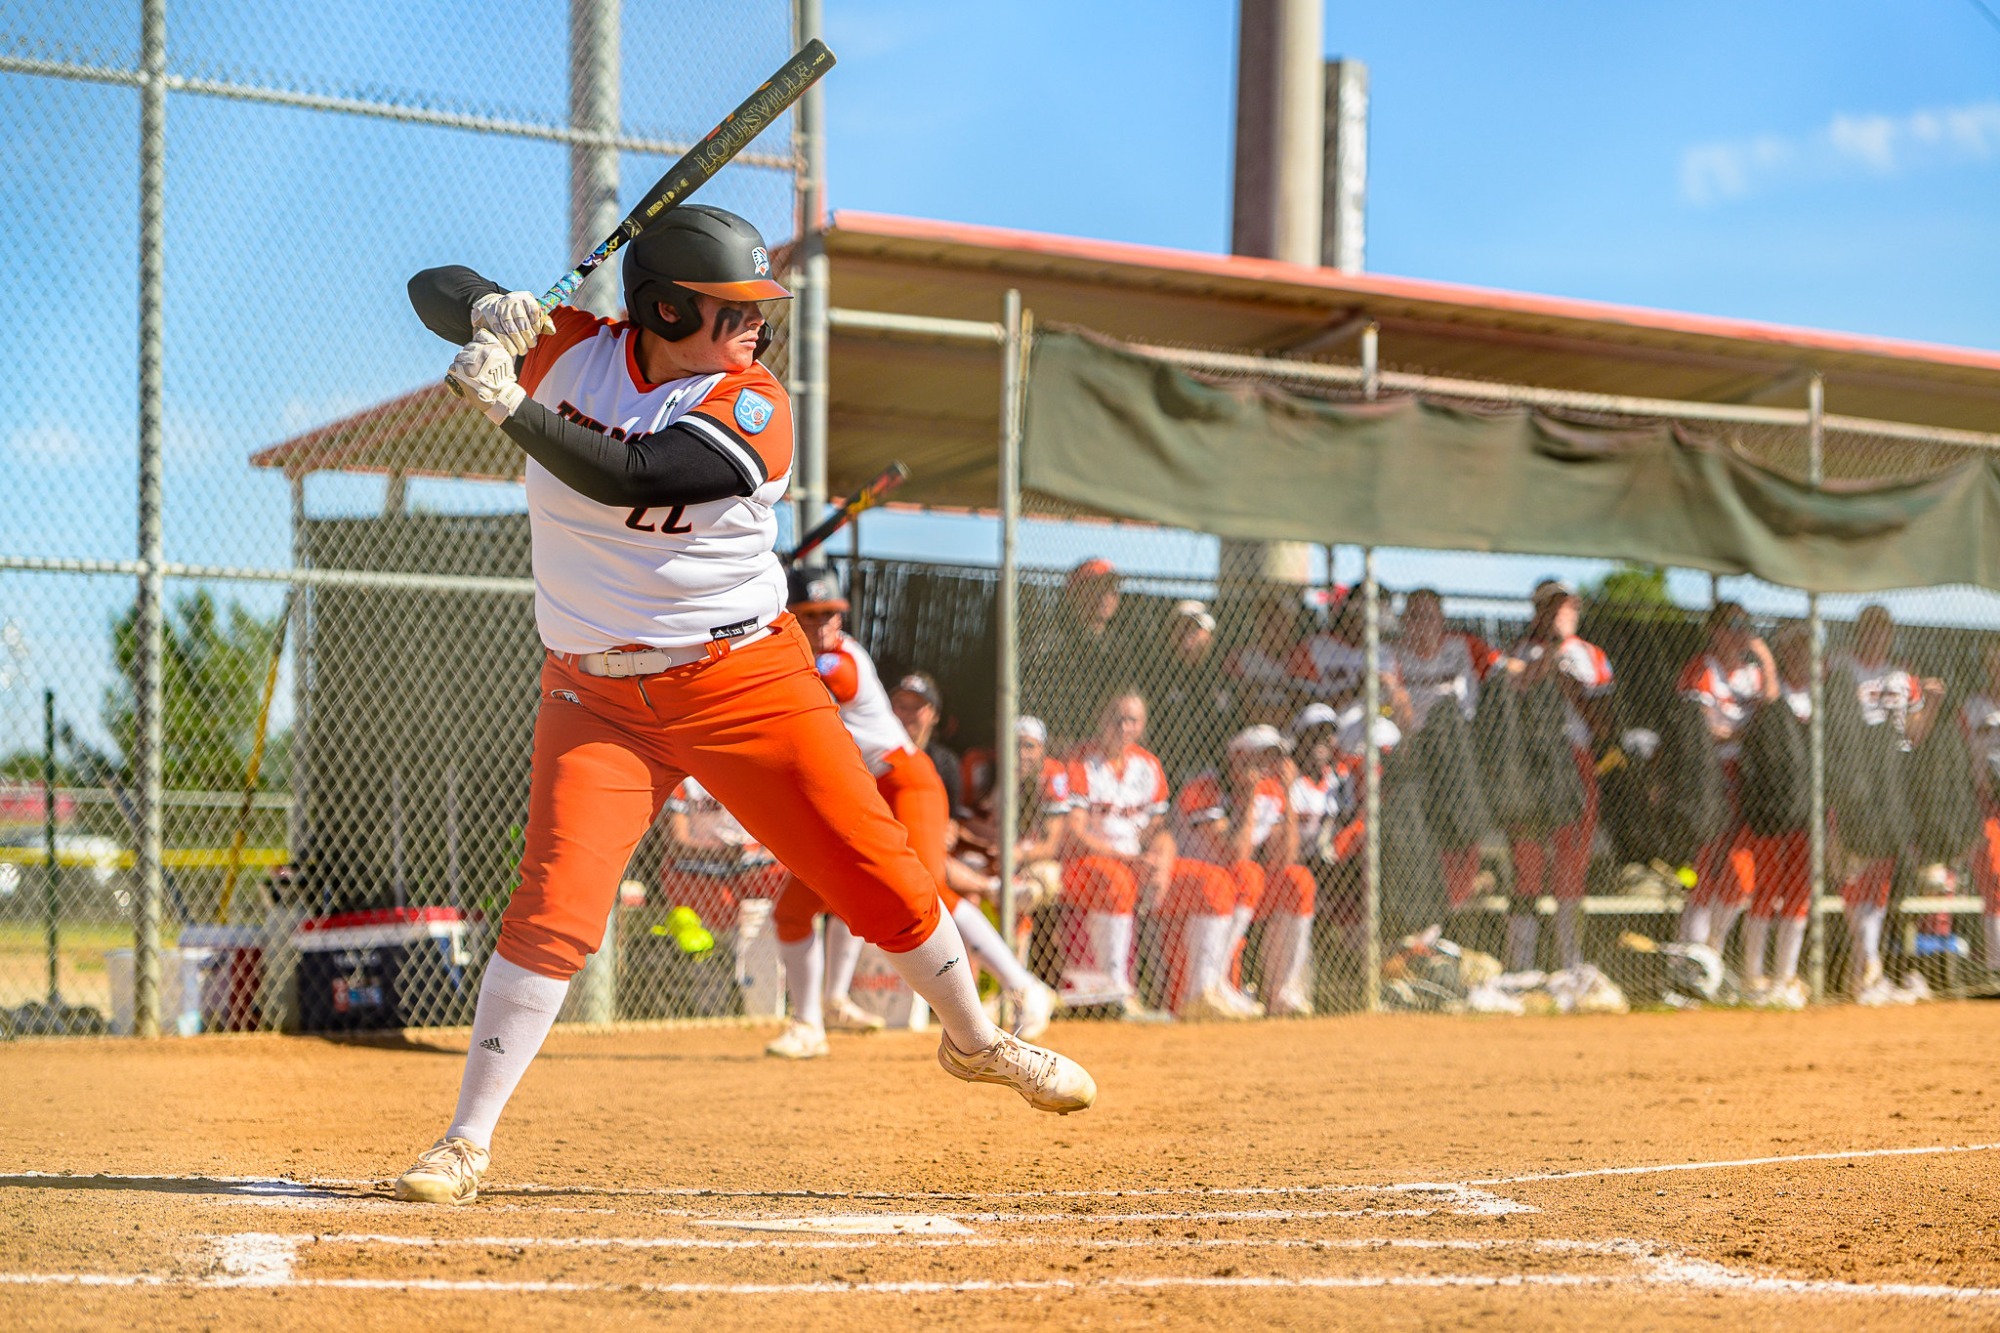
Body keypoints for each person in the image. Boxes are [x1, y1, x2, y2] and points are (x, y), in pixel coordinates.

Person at [394, 206, 1093, 1204]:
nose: (755, 328)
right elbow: (431, 280)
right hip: (593, 693)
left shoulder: (754, 400)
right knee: (552, 903)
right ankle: (464, 1142)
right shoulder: (573, 353)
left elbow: (634, 471)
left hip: (743, 682)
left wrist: (509, 404)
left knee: (879, 873)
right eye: (734, 311)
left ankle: (977, 1041)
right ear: (666, 308)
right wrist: (489, 312)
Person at [1058, 690, 1236, 1019]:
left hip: (1138, 864)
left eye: (1132, 719)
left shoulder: (1149, 765)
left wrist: (1161, 863)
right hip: (1089, 865)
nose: (1123, 726)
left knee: (1216, 883)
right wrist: (1128, 861)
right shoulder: (1081, 762)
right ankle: (1117, 994)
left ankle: (1201, 994)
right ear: (1101, 719)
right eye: (1116, 718)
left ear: (1142, 725)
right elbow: (1075, 833)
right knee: (1118, 881)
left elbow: (1160, 829)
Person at [1500, 579, 1614, 972]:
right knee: (1528, 864)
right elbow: (1512, 693)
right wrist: (1547, 657)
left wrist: (1568, 680)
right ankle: (1521, 966)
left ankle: (1570, 962)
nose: (1560, 613)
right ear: (1537, 610)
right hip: (1531, 760)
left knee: (1571, 864)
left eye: (1567, 606)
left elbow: (1603, 722)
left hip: (1574, 757)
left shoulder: (1591, 654)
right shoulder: (1518, 651)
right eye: (1551, 606)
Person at [1833, 605, 1943, 999]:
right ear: (1858, 633)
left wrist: (1930, 705)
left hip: (1892, 782)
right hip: (1853, 781)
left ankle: (1867, 968)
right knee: (1854, 872)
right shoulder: (1842, 667)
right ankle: (1867, 966)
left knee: (1880, 874)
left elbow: (1912, 737)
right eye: (1869, 630)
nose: (1876, 638)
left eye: (1883, 631)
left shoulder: (1903, 676)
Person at [1173, 725, 1318, 1016]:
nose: (1265, 766)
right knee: (1246, 873)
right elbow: (1235, 854)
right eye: (1257, 757)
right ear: (1235, 757)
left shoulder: (1272, 792)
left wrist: (1288, 795)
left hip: (1233, 892)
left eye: (1271, 759)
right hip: (1188, 886)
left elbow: (1284, 858)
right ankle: (1213, 986)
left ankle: (1284, 994)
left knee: (1298, 880)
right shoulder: (1203, 789)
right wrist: (1250, 797)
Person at [1674, 603, 1779, 954]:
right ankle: (1689, 956)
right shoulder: (1703, 668)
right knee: (1705, 868)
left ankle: (1711, 952)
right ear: (1715, 631)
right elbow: (1704, 728)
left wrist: (1765, 659)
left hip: (1748, 781)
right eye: (1733, 624)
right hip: (1709, 777)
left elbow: (1774, 708)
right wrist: (1747, 732)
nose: (1741, 632)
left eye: (1746, 625)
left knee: (1742, 876)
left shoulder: (1753, 673)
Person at [1395, 588, 1500, 912]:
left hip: (1460, 752)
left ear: (1442, 620)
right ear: (1403, 622)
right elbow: (1389, 692)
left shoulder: (1462, 646)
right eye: (1413, 615)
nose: (1420, 623)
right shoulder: (1393, 653)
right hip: (1413, 750)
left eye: (1428, 615)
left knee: (1446, 713)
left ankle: (1462, 891)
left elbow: (1509, 673)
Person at [1739, 625, 1814, 1008]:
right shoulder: (1770, 688)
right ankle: (1753, 977)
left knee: (1800, 890)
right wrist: (1767, 661)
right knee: (1766, 887)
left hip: (1807, 807)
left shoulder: (1820, 695)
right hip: (1771, 804)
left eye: (1807, 648)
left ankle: (1784, 977)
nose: (1801, 656)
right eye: (1794, 649)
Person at [658, 775, 787, 933]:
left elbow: (780, 828)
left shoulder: (753, 770)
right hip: (705, 865)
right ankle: (721, 949)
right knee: (723, 908)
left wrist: (770, 852)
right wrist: (720, 851)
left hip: (755, 861)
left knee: (790, 884)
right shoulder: (686, 779)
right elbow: (677, 841)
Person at [1023, 558, 1129, 749]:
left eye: (1112, 588)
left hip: (1108, 750)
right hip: (1059, 748)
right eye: (1096, 587)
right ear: (1074, 593)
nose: (1106, 596)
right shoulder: (1050, 644)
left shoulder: (1121, 648)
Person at [1141, 599, 1236, 788]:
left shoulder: (1226, 676)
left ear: (1209, 635)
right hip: (1168, 772)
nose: (1186, 635)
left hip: (1217, 776)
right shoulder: (1157, 677)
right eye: (1180, 628)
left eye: (1194, 628)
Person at [1960, 642, 2000, 973]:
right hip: (1986, 805)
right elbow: (1962, 756)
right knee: (1996, 883)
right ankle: (1995, 967)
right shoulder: (1973, 706)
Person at [889, 671, 965, 818]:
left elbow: (953, 817)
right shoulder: (872, 755)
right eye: (901, 706)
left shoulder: (945, 763)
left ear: (935, 715)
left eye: (917, 707)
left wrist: (952, 827)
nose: (907, 714)